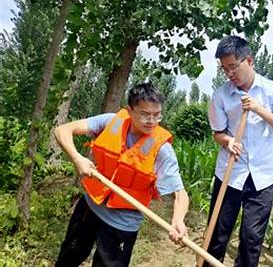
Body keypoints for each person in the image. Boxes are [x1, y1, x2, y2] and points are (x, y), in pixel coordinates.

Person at [54, 83, 189, 267]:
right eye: (144, 114)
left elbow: (180, 194)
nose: (151, 121)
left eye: (157, 115)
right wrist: (78, 159)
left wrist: (178, 220)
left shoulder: (163, 149)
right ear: (130, 110)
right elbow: (62, 130)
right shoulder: (112, 121)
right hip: (90, 206)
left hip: (122, 224)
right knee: (67, 259)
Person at [205, 35, 273, 266]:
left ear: (249, 61)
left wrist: (259, 109)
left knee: (251, 239)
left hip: (262, 175)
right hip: (230, 172)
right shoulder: (221, 95)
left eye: (233, 67)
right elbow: (218, 132)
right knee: (217, 233)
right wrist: (227, 141)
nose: (229, 74)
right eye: (225, 69)